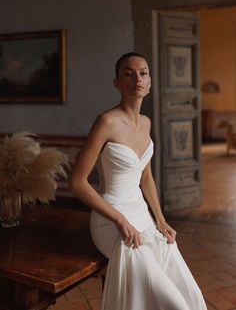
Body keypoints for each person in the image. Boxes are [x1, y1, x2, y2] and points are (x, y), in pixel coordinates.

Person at [69, 52, 207, 310]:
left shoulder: (145, 122)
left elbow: (146, 177)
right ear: (116, 83)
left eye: (143, 73)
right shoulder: (106, 122)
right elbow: (77, 183)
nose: (137, 79)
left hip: (143, 217)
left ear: (150, 81)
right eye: (128, 73)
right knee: (172, 302)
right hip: (112, 222)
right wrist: (119, 220)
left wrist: (161, 220)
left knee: (190, 294)